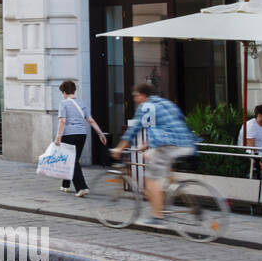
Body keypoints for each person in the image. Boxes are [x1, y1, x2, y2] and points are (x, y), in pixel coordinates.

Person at [110, 83, 199, 226]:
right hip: (186, 142)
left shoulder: (145, 106)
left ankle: (157, 216)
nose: (134, 99)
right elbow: (168, 123)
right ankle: (175, 193)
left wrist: (119, 148)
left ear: (143, 95)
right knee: (162, 168)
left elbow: (134, 130)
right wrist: (148, 144)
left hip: (169, 145)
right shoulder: (165, 102)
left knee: (150, 180)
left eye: (135, 95)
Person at [54, 80, 107, 197]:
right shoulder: (82, 103)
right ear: (74, 90)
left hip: (68, 135)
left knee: (71, 160)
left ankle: (81, 187)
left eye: (62, 92)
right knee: (73, 159)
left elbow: (62, 121)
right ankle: (65, 185)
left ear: (64, 92)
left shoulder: (63, 103)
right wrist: (100, 134)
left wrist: (58, 137)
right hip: (82, 134)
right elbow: (91, 120)